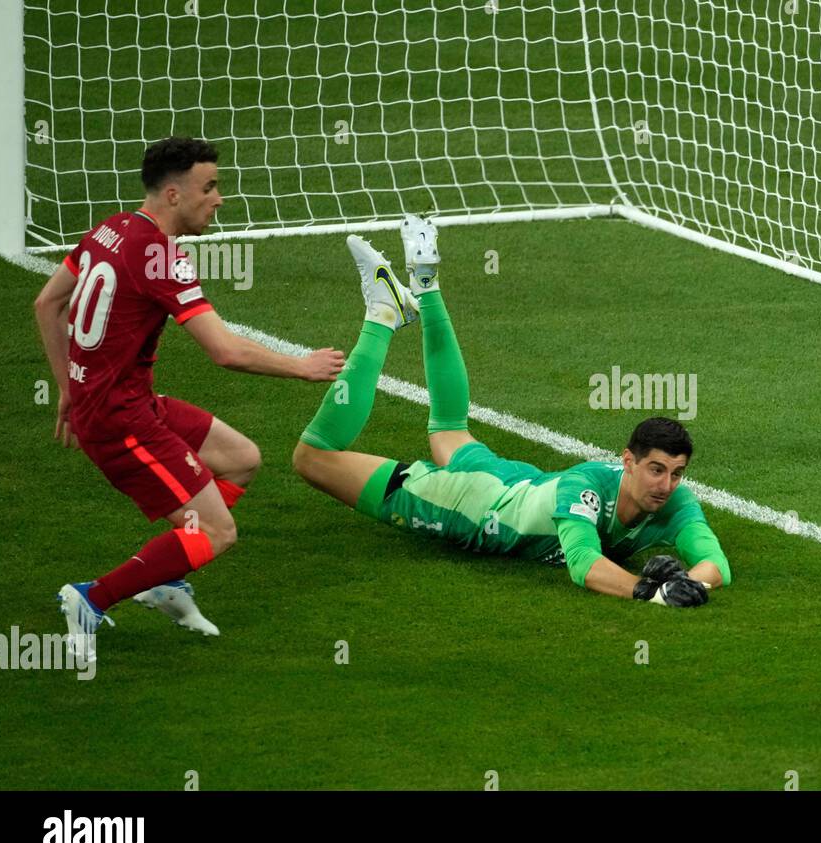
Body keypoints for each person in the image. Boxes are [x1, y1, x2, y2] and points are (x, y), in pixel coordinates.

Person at [291, 216, 730, 606]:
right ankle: (383, 315)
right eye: (656, 470)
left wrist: (691, 582)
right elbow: (582, 564)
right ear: (628, 461)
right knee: (312, 457)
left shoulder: (673, 500)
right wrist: (651, 592)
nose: (667, 484)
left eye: (676, 473)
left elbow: (716, 564)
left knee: (448, 428)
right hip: (470, 506)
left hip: (515, 482)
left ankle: (425, 286)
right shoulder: (585, 487)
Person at [33, 137, 345, 658]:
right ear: (174, 195)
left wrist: (67, 386)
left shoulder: (112, 228)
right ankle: (92, 598)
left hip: (126, 401)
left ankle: (167, 577)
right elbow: (224, 352)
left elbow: (47, 303)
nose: (219, 198)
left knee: (241, 460)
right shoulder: (162, 258)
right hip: (119, 420)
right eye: (210, 186)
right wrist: (302, 367)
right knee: (218, 531)